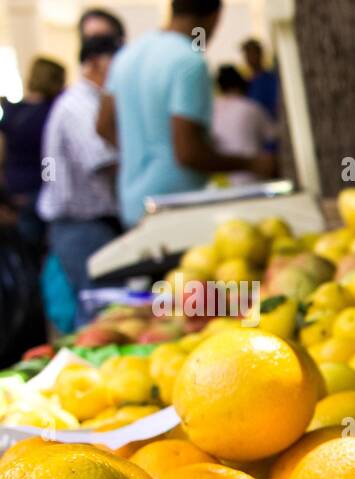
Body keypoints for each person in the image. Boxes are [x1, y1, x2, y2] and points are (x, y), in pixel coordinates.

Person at [96, 0, 276, 226]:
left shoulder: (127, 56)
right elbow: (189, 152)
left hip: (133, 203)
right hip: (177, 208)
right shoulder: (189, 62)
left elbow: (103, 125)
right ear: (215, 17)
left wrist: (141, 153)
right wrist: (254, 164)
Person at [37, 34, 123, 308]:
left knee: (104, 308)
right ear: (96, 64)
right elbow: (102, 160)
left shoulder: (88, 101)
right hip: (82, 226)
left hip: (87, 225)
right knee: (100, 309)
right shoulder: (79, 105)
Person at [0, 57, 67, 246]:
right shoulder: (51, 113)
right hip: (39, 189)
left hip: (14, 190)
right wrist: (50, 182)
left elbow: (3, 155)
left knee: (24, 251)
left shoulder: (12, 111)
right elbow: (50, 159)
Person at [211, 65, 277, 186]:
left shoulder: (209, 110)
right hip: (251, 180)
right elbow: (273, 136)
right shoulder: (252, 108)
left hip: (218, 183)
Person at [241, 38, 279, 118]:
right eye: (246, 54)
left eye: (251, 53)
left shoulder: (270, 79)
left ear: (259, 54)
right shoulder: (247, 83)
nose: (248, 58)